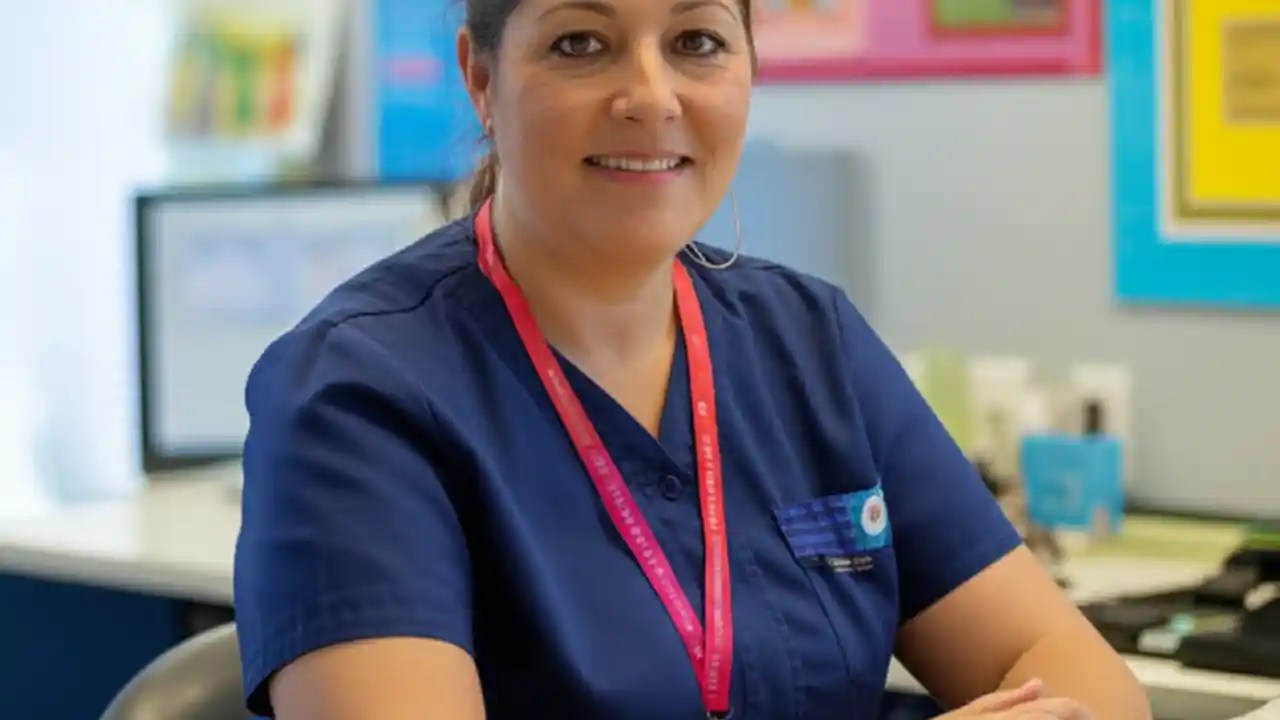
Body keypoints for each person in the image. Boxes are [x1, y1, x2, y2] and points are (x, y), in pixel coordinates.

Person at [231, 0, 1154, 715]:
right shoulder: (355, 395)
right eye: (580, 43)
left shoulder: (810, 341)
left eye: (698, 41)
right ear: (480, 78)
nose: (651, 96)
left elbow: (1090, 684)